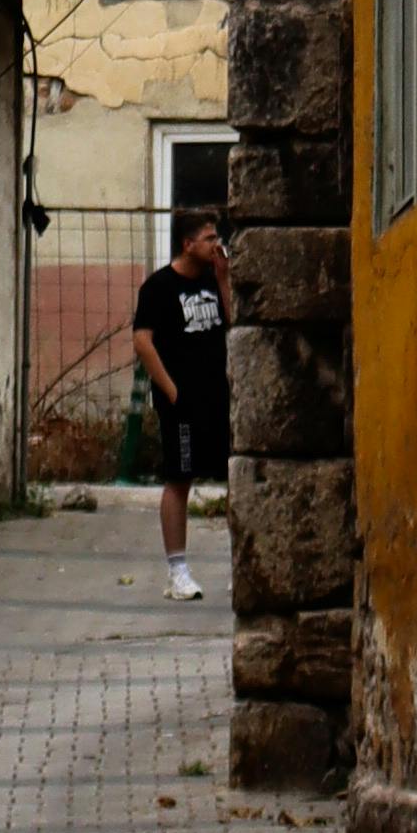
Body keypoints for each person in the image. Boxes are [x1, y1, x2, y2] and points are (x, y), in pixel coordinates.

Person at [131, 207, 232, 601]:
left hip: (219, 397)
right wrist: (172, 391)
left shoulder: (214, 278)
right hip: (182, 402)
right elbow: (142, 341)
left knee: (234, 477)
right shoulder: (158, 287)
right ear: (188, 244)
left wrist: (223, 280)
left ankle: (239, 564)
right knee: (179, 479)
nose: (216, 244)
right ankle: (178, 572)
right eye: (209, 238)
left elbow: (234, 321)